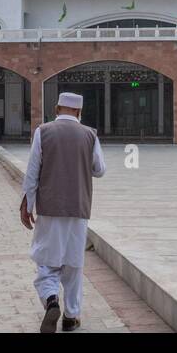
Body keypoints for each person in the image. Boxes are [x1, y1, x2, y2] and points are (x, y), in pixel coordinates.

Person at [19, 92, 106, 332]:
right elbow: (99, 170)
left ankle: (50, 299)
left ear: (57, 108)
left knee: (46, 261)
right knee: (73, 263)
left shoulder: (43, 131)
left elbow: (32, 171)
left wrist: (27, 204)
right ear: (79, 112)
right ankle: (71, 316)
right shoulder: (90, 134)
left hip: (49, 209)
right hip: (79, 209)